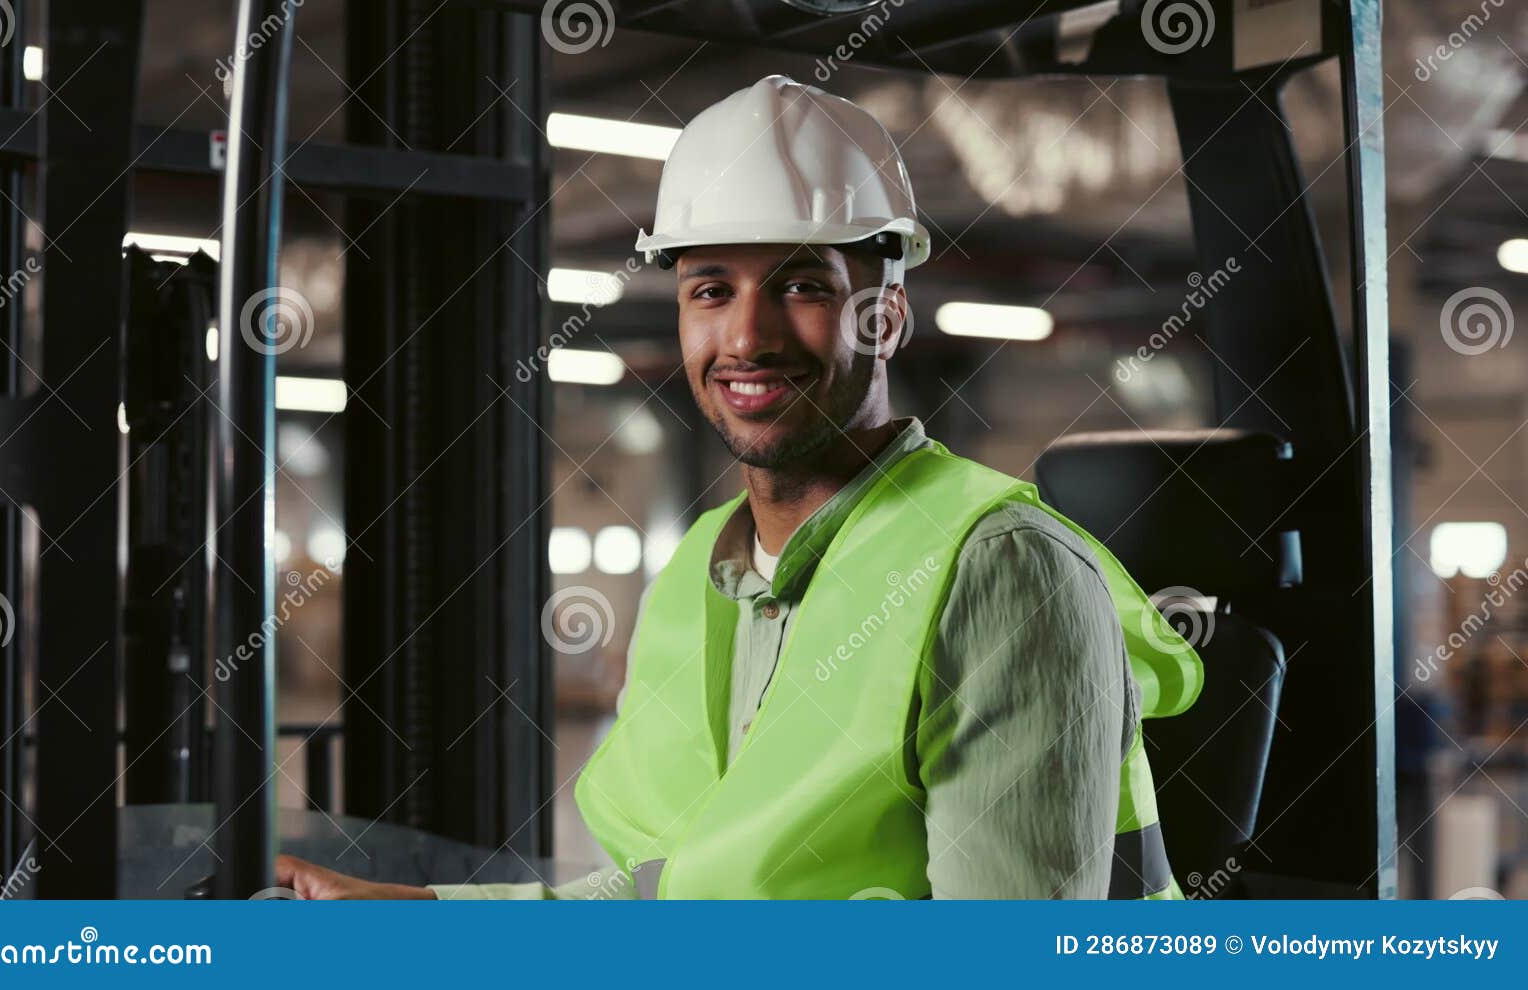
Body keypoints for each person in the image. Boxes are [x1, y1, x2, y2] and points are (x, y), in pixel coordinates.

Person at [276, 75, 1202, 901]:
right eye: (711, 290)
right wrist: (421, 922)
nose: (748, 339)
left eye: (802, 284)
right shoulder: (703, 569)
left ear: (884, 316)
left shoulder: (1000, 575)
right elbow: (665, 892)